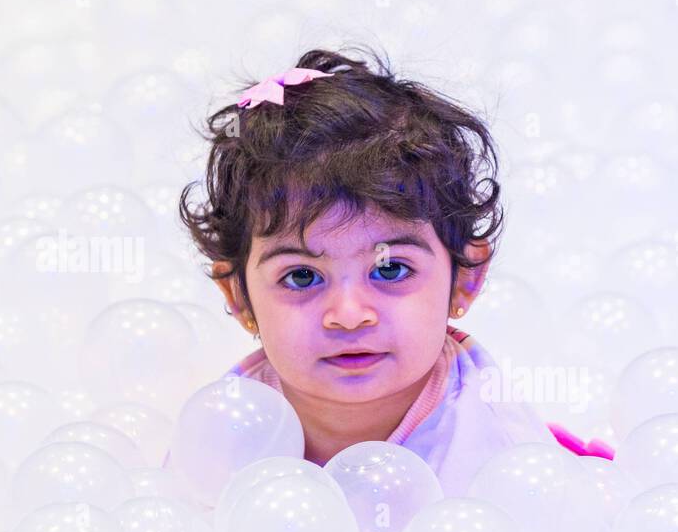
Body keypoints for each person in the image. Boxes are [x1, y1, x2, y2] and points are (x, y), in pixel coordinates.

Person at [178, 46, 611, 497]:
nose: (348, 314)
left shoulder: (497, 455)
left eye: (391, 271)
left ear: (466, 278)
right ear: (238, 296)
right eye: (302, 276)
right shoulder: (230, 424)